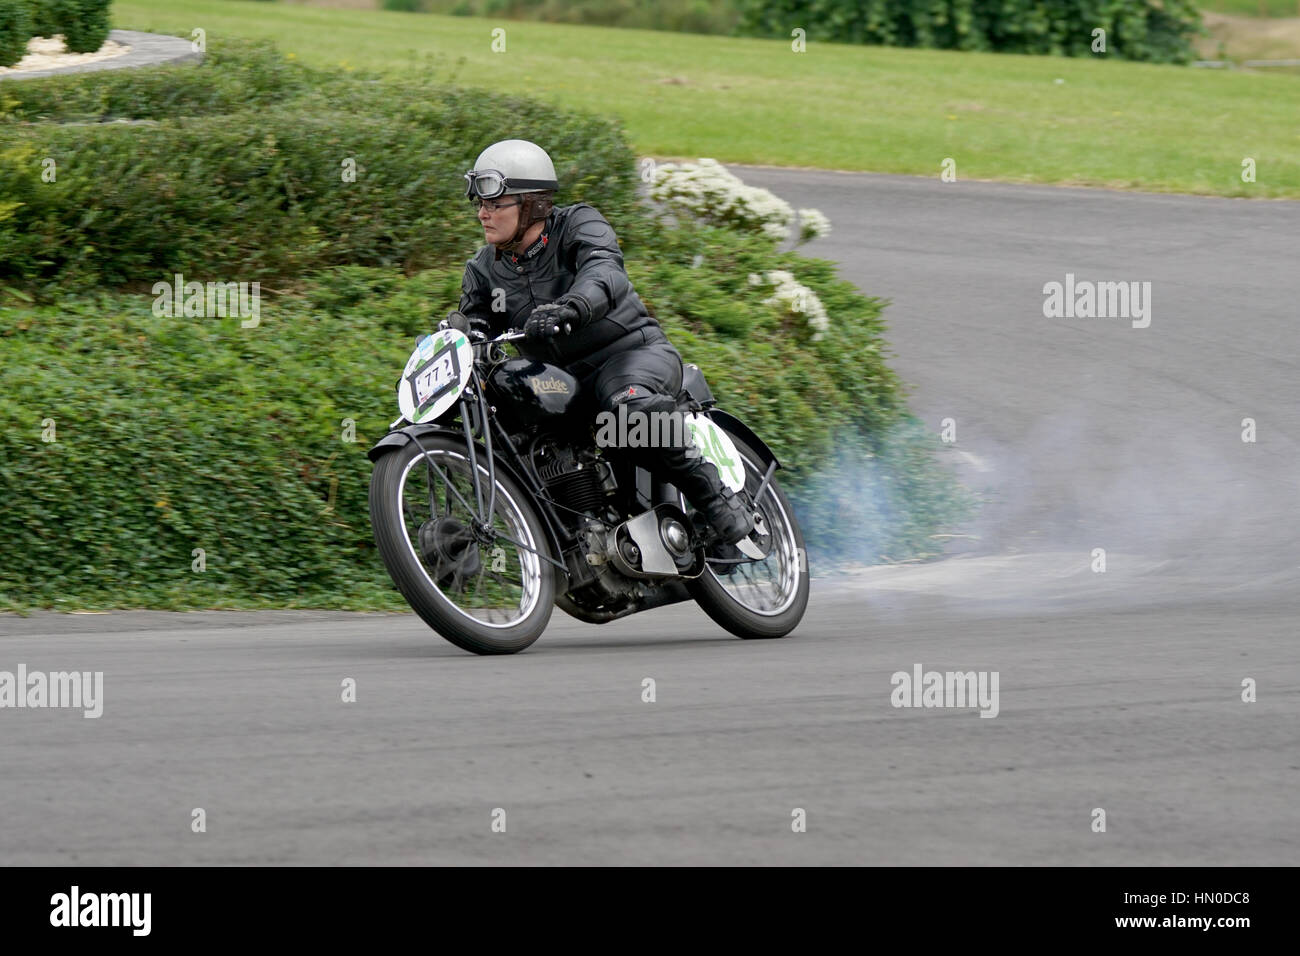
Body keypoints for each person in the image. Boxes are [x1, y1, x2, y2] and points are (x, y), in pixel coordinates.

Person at [454, 138, 754, 545]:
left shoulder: (578, 224)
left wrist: (572, 306)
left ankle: (716, 499)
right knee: (509, 426)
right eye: (480, 205)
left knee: (627, 410)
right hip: (563, 384)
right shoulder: (483, 270)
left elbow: (604, 271)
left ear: (532, 203)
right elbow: (475, 320)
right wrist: (466, 339)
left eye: (495, 204)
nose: (482, 214)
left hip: (630, 355)